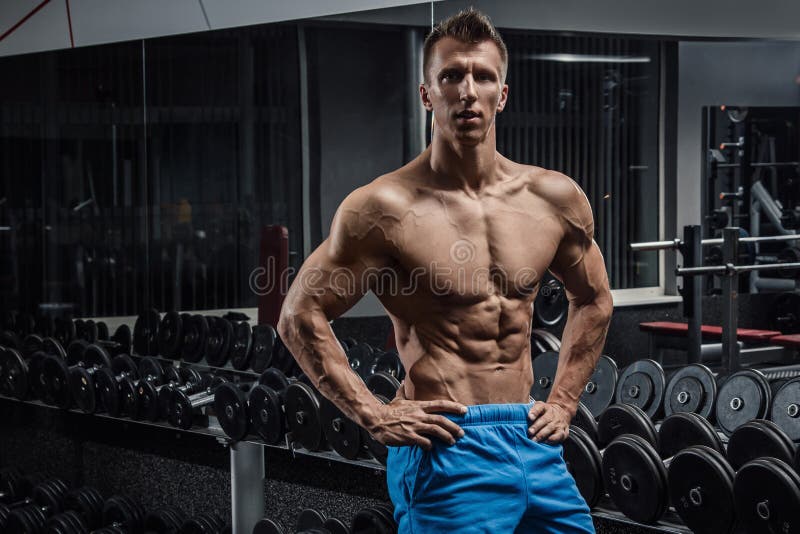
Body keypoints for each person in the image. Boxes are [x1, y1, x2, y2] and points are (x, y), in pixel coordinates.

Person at [278, 8, 613, 533]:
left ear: (502, 94)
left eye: (482, 76)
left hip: (533, 439)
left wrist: (565, 400)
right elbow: (299, 313)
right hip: (446, 445)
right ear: (426, 93)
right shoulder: (383, 208)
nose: (467, 91)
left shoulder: (553, 198)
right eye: (451, 76)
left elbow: (593, 298)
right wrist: (373, 413)